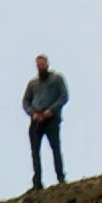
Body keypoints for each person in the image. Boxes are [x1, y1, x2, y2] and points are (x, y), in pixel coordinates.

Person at [23, 53, 70, 191]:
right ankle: (37, 182)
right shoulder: (33, 84)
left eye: (42, 64)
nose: (41, 67)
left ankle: (60, 178)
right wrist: (32, 113)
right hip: (37, 119)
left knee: (55, 148)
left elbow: (64, 96)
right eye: (38, 65)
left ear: (47, 64)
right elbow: (25, 102)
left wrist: (52, 110)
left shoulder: (56, 79)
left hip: (51, 118)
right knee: (35, 152)